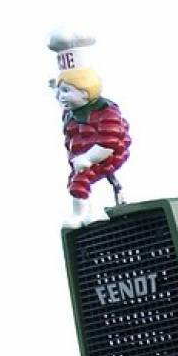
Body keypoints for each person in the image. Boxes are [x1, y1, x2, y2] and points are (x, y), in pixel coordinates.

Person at [49, 32, 130, 226]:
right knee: (76, 181)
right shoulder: (72, 112)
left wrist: (89, 158)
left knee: (80, 181)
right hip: (82, 157)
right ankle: (85, 213)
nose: (62, 96)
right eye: (60, 90)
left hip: (104, 154)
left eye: (66, 91)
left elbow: (109, 142)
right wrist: (56, 89)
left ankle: (83, 215)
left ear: (85, 91)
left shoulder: (105, 112)